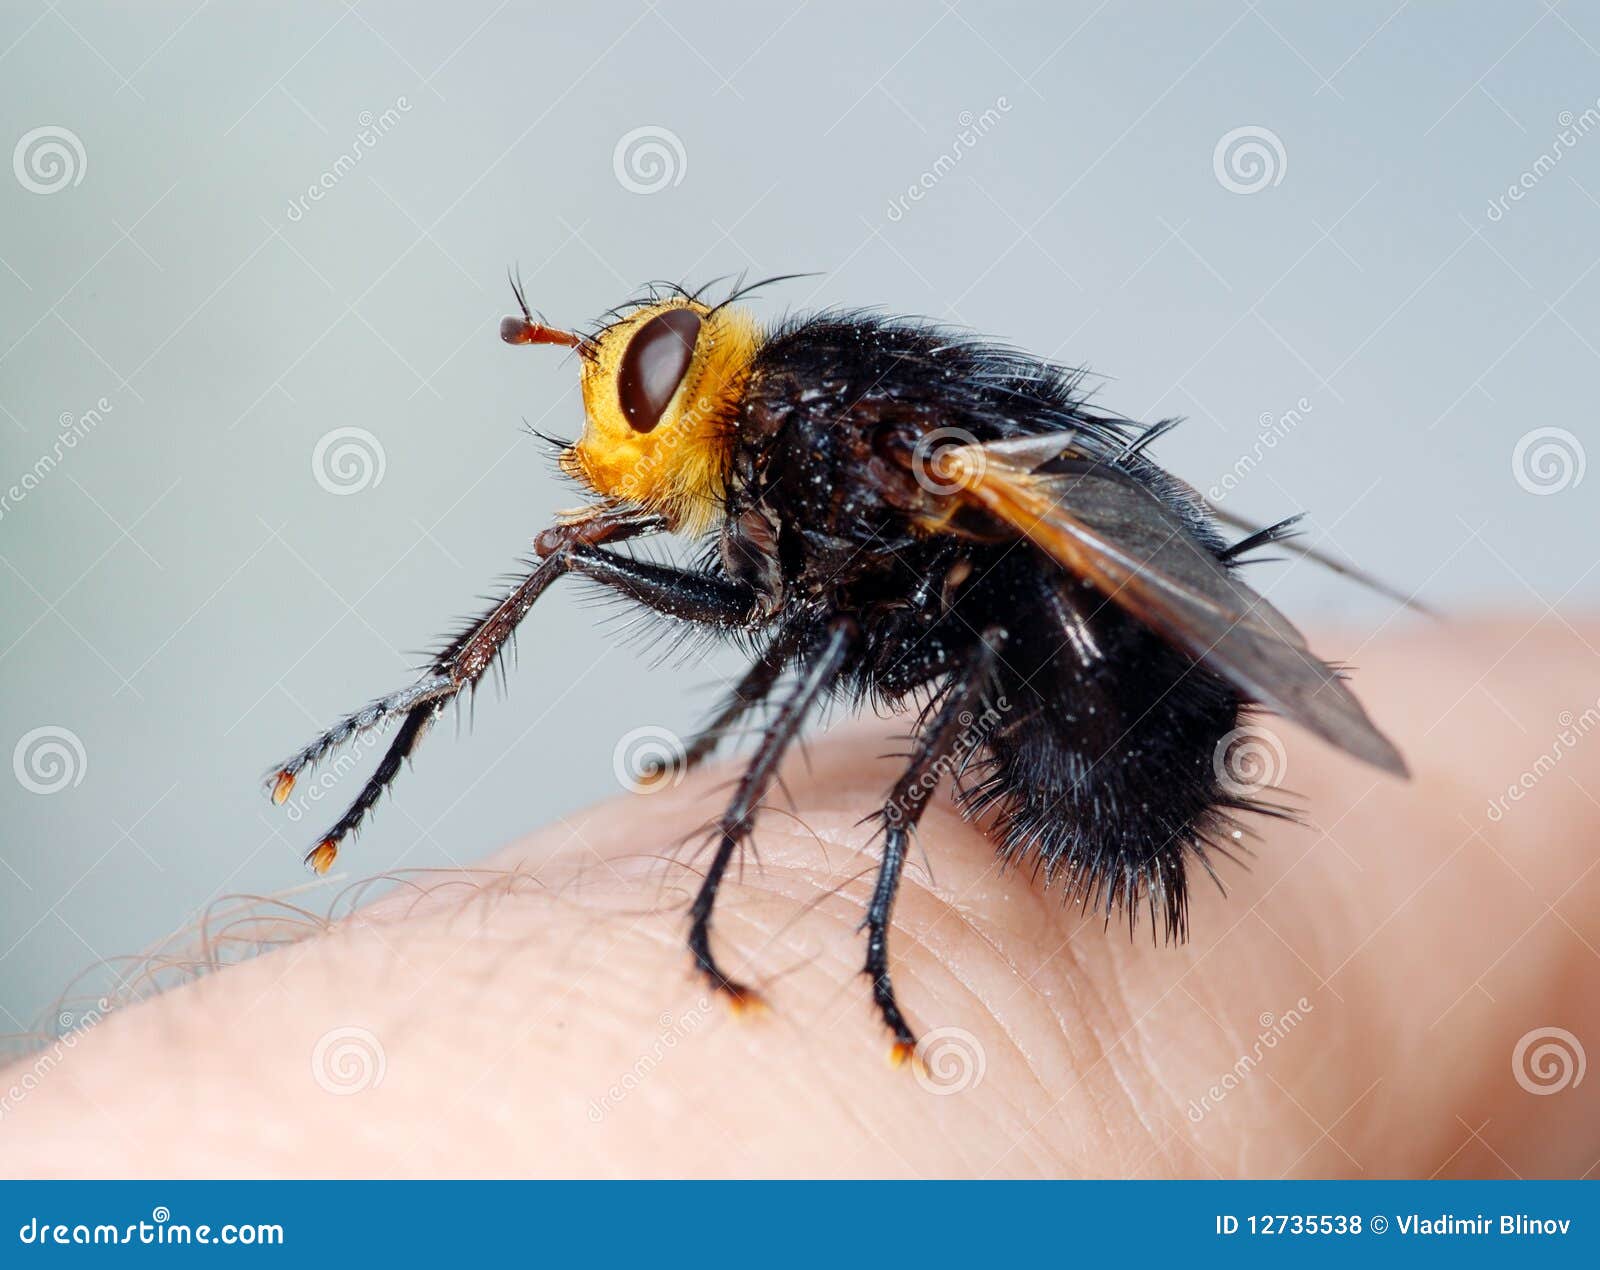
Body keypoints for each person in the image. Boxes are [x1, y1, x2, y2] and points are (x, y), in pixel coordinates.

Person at [2, 621, 1596, 1177]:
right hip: (1131, 702)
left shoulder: (837, 455)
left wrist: (811, 880)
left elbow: (905, 632)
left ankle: (783, 879)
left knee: (962, 628)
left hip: (1114, 729)